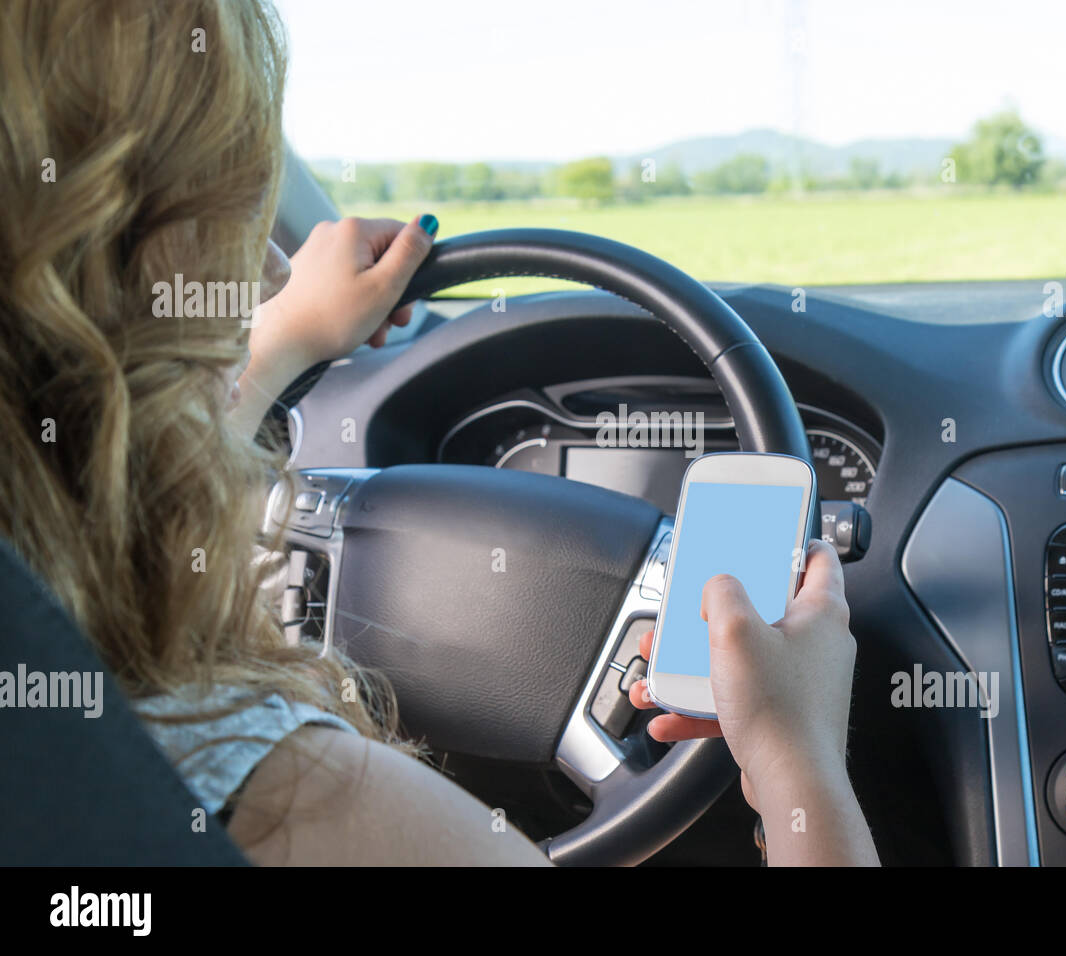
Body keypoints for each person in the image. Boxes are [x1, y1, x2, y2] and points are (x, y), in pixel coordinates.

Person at [0, 0, 876, 866]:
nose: (271, 271)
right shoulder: (309, 809)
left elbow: (96, 462)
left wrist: (276, 346)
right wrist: (796, 761)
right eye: (229, 214)